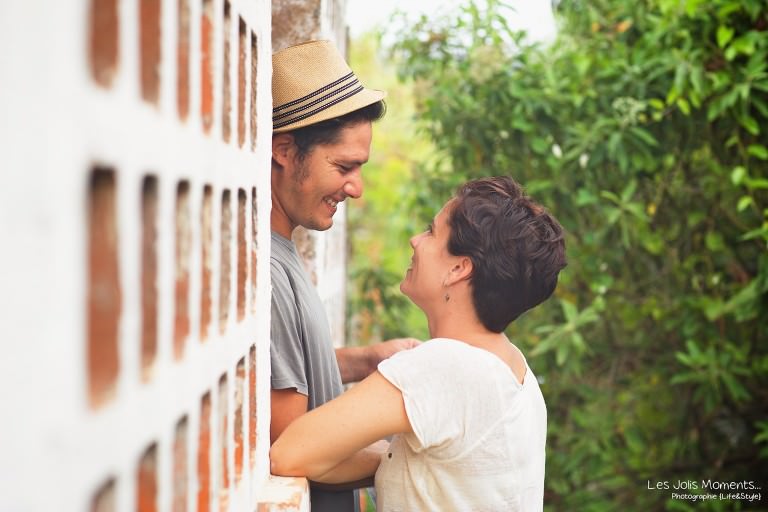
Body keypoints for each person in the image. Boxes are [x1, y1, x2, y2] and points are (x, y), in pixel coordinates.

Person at [270, 176, 567, 511]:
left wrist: (383, 453)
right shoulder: (516, 371)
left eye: (430, 231)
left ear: (458, 268)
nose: (415, 241)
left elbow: (287, 452)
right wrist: (393, 456)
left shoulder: (445, 365)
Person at [269, 40, 419, 512]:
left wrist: (366, 360)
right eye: (344, 166)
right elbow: (292, 444)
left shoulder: (282, 250)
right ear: (285, 151)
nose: (356, 188)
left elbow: (292, 366)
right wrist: (415, 457)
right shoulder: (269, 274)